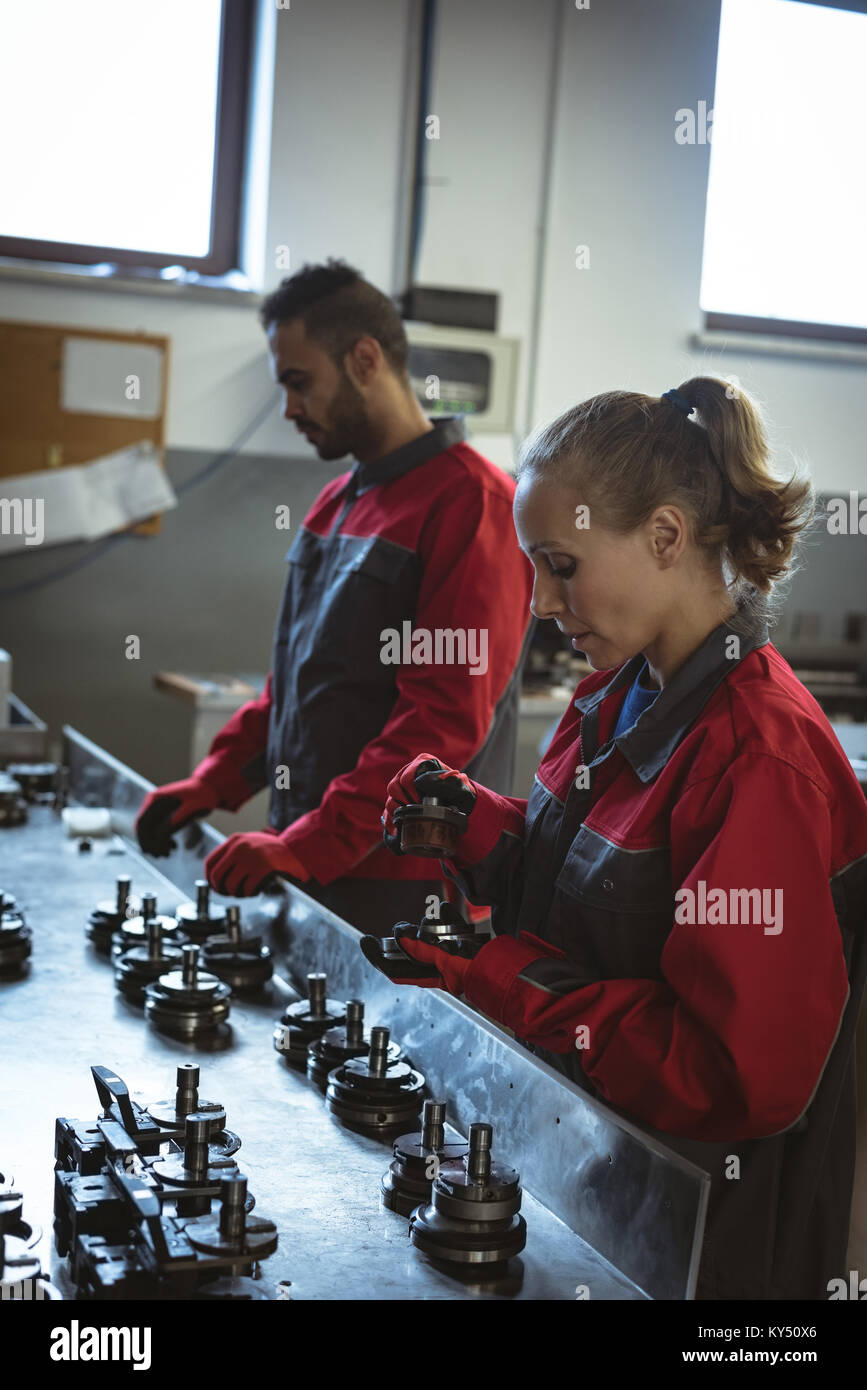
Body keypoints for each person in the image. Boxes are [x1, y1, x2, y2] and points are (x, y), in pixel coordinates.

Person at [371, 377, 867, 1300]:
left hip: (700, 1242)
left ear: (666, 537)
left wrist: (512, 987)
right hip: (593, 1178)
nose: (542, 602)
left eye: (560, 564)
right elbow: (589, 885)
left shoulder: (760, 759)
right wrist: (479, 826)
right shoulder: (612, 695)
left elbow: (736, 1076)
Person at [135, 260, 534, 936]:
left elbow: (439, 723)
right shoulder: (335, 503)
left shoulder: (474, 504)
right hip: (313, 859)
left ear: (363, 359)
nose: (290, 408)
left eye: (299, 383)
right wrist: (218, 779)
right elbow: (297, 681)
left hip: (403, 886)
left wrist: (311, 843)